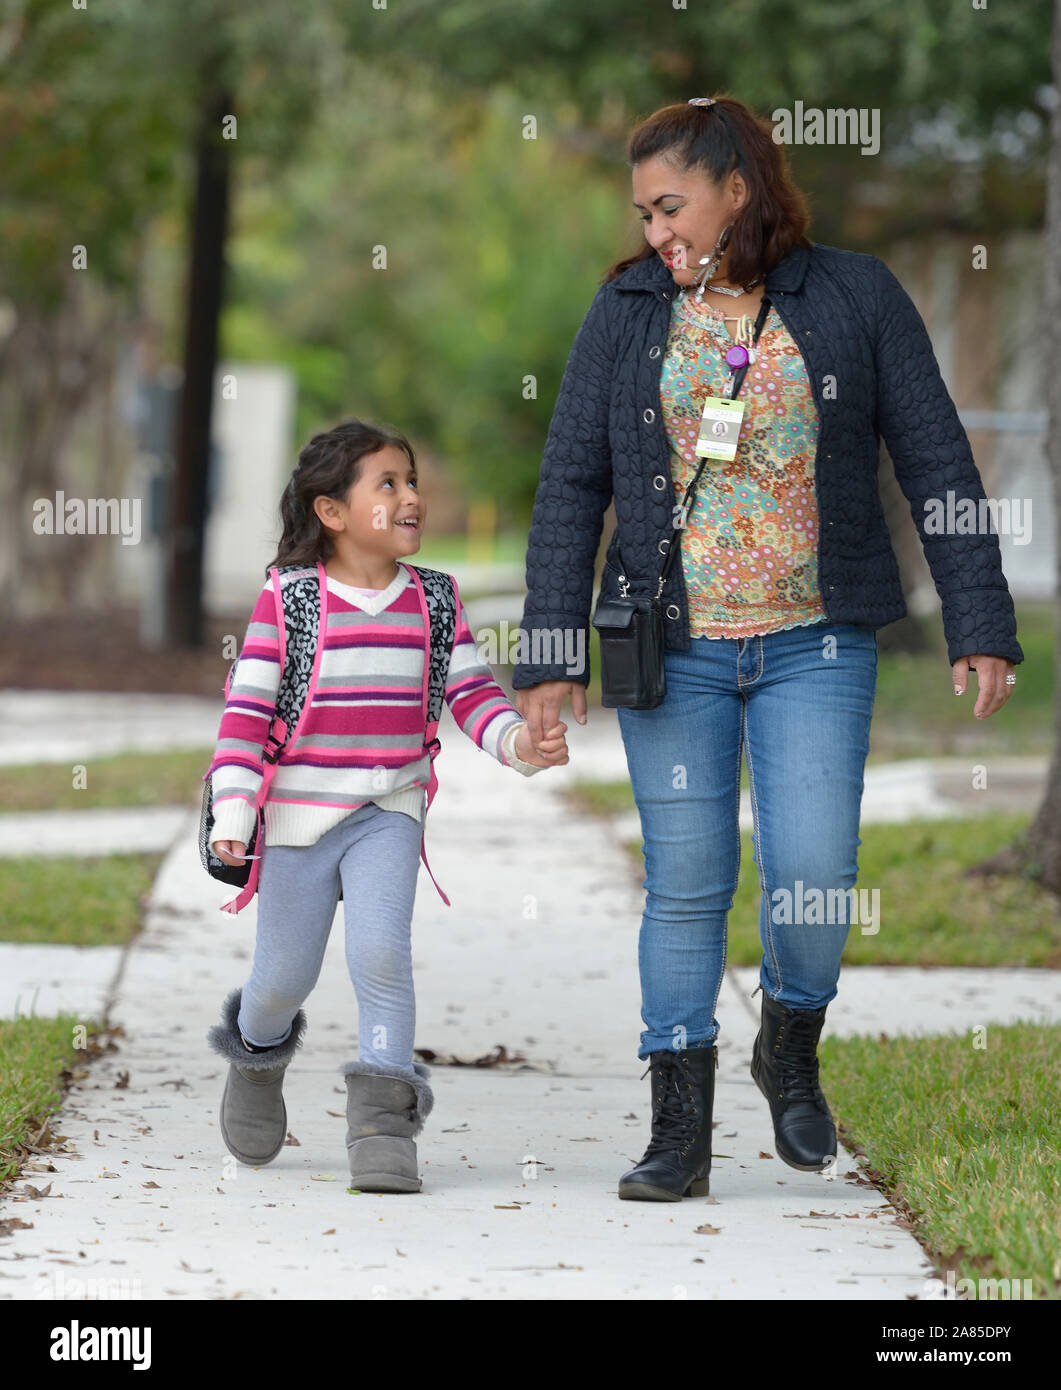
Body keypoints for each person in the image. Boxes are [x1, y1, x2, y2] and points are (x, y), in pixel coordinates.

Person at [513, 95, 1023, 1202]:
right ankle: (676, 1129)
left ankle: (788, 1039)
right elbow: (569, 486)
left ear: (736, 187)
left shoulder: (853, 297)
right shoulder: (627, 310)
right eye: (643, 212)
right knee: (687, 882)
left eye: (669, 205)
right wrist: (549, 652)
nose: (654, 232)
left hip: (815, 643)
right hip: (674, 643)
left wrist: (977, 619)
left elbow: (936, 460)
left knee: (814, 879)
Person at [204, 418, 569, 1193]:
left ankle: (380, 1127)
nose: (412, 497)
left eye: (412, 482)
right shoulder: (291, 599)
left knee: (381, 960)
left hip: (388, 812)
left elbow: (470, 692)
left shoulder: (434, 600)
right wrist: (236, 808)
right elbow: (246, 712)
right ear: (331, 512)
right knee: (281, 980)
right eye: (389, 484)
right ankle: (256, 1058)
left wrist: (516, 745)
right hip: (298, 819)